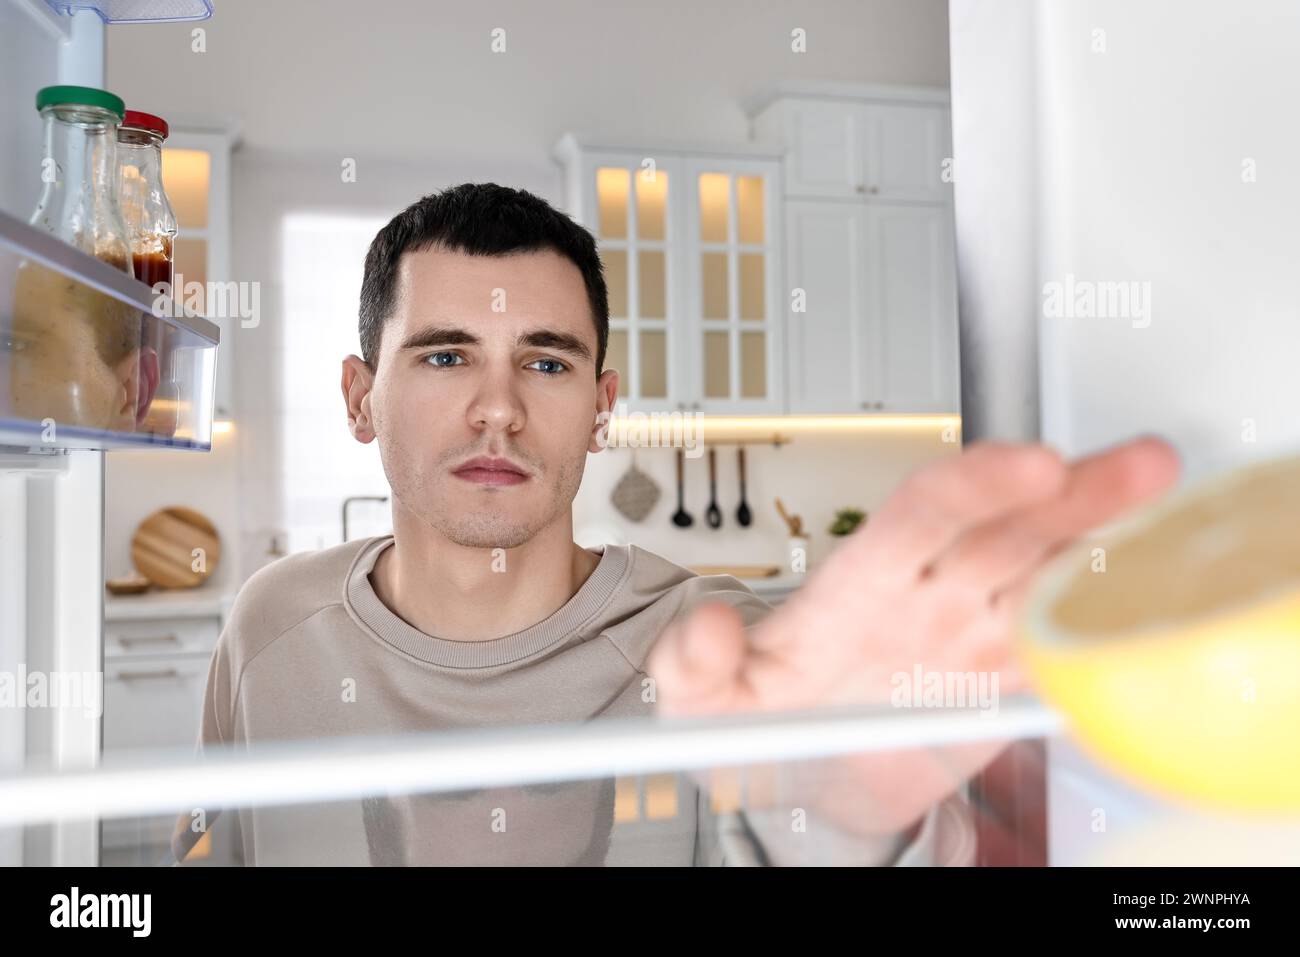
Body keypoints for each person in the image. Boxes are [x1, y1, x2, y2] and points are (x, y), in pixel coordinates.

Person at [171, 183, 1180, 866]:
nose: (498, 409)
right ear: (359, 398)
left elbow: (829, 809)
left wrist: (854, 822)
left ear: (601, 405)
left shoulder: (711, 641)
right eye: (444, 356)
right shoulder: (270, 626)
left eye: (547, 360)